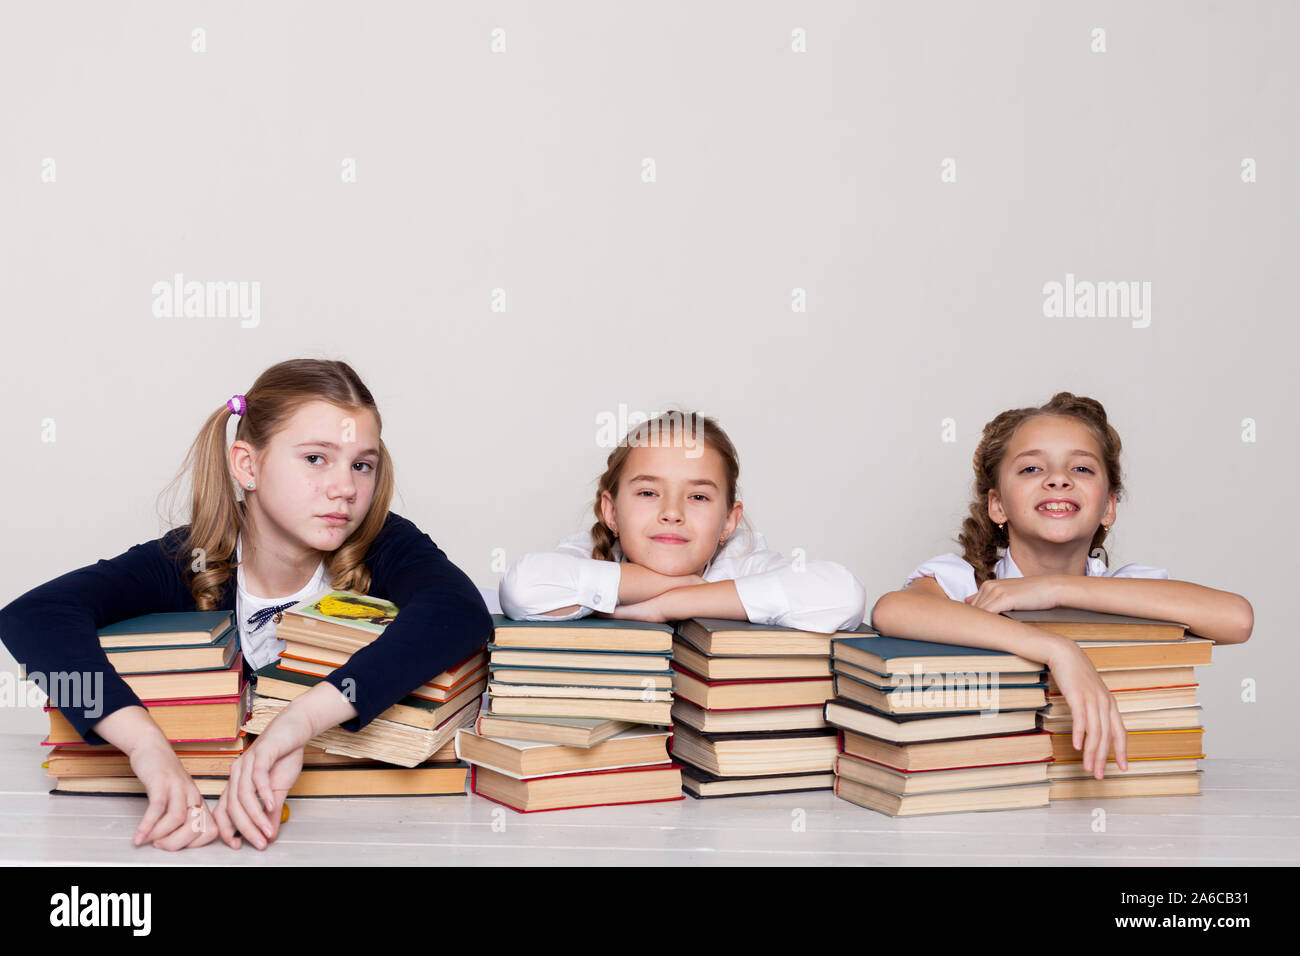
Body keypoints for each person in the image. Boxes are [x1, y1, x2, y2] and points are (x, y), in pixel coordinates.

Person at [0, 359, 492, 850]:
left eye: (361, 464)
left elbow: (458, 611)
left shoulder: (385, 546)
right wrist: (144, 744)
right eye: (316, 459)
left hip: (364, 829)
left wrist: (300, 719)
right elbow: (34, 616)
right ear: (248, 465)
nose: (345, 488)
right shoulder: (189, 559)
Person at [870, 392, 1253, 780]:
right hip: (986, 789)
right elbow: (891, 610)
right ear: (997, 505)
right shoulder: (964, 584)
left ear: (1109, 507)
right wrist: (1058, 651)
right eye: (1032, 469)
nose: (1058, 479)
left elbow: (1235, 619)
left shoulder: (1130, 591)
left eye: (1083, 469)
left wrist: (1054, 589)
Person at [498, 409, 866, 634]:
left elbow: (842, 594)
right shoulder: (593, 553)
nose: (672, 512)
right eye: (648, 493)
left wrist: (672, 603)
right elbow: (521, 589)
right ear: (610, 511)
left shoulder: (742, 560)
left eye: (698, 497)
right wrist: (658, 582)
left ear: (728, 522)